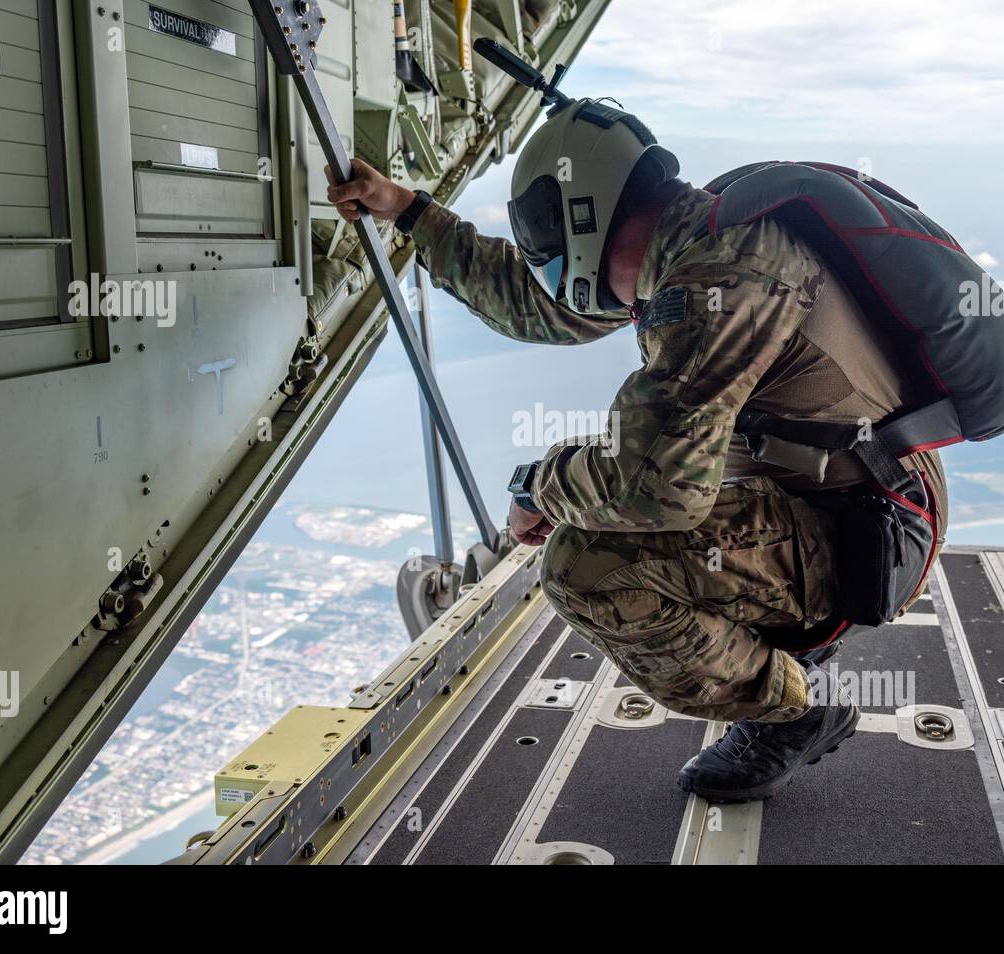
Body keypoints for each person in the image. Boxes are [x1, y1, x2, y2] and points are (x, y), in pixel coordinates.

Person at [326, 98, 948, 803]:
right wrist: (407, 211)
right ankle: (786, 631)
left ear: (588, 218)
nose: (552, 262)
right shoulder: (688, 243)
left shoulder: (720, 280)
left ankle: (795, 711)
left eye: (552, 237)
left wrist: (539, 486)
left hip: (865, 529)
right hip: (839, 495)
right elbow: (531, 303)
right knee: (603, 496)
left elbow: (659, 491)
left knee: (587, 565)